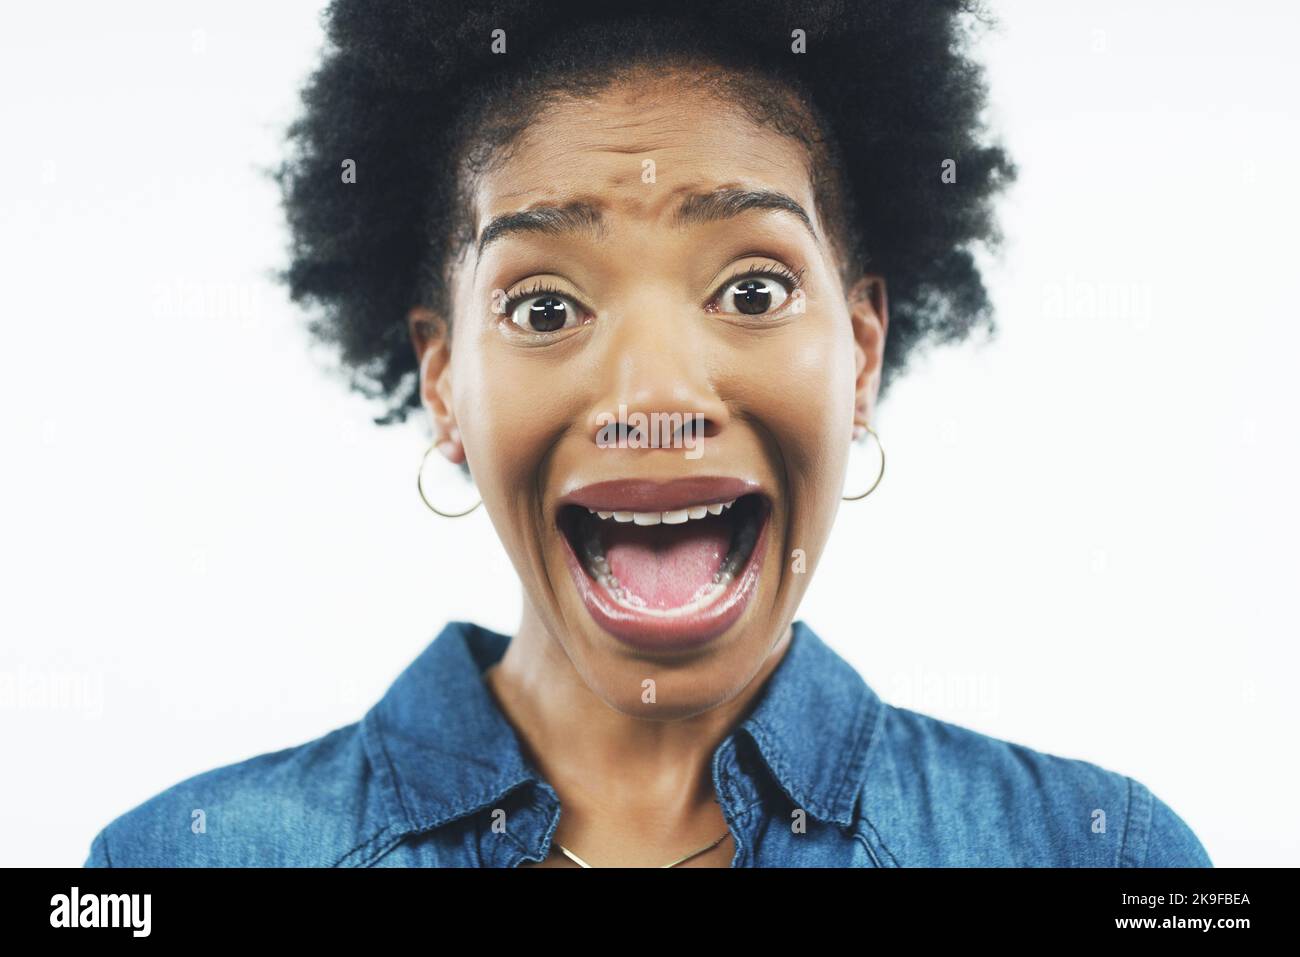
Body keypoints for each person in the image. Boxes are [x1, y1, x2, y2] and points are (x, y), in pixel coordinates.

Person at [84, 0, 1211, 867]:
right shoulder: (172, 862)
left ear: (861, 351)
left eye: (754, 290)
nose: (653, 394)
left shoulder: (1095, 853)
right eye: (543, 308)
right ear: (443, 384)